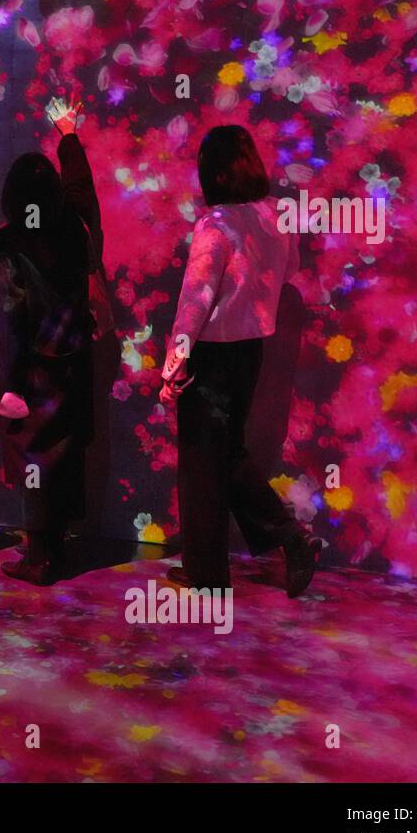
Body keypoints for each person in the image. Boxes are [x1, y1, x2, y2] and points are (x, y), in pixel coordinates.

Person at [159, 125, 322, 597]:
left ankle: (259, 549)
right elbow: (289, 272)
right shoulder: (274, 216)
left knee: (200, 461)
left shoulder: (215, 225)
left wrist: (175, 363)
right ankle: (221, 564)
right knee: (224, 457)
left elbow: (196, 299)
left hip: (211, 352)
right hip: (251, 350)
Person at [0, 98, 114, 585]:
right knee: (64, 455)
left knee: (33, 460)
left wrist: (7, 383)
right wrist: (67, 134)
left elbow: (6, 318)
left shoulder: (9, 242)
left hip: (32, 368)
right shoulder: (77, 227)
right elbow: (84, 190)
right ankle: (55, 547)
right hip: (74, 361)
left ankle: (38, 558)